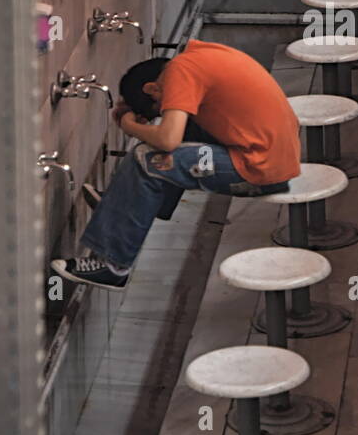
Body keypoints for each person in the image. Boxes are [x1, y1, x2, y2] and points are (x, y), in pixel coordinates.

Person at [52, 40, 301, 290]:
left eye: (158, 107)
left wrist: (129, 126)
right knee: (185, 128)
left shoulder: (179, 72)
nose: (163, 110)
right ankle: (128, 205)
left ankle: (114, 266)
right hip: (274, 156)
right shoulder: (197, 58)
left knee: (147, 159)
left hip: (259, 168)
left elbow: (167, 140)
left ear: (152, 88)